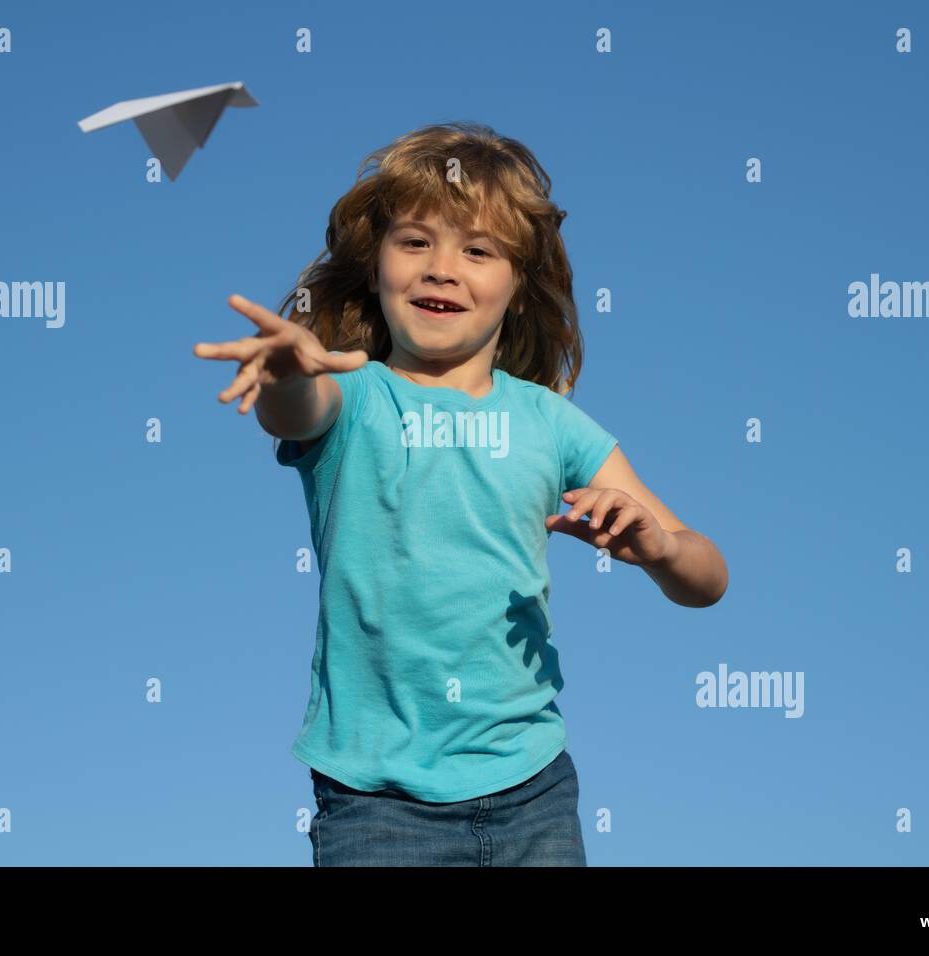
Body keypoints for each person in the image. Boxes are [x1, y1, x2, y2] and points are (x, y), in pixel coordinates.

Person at [194, 122, 729, 866]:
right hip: (376, 805)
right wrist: (289, 372)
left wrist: (663, 548)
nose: (442, 268)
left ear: (516, 286)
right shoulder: (355, 396)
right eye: (414, 242)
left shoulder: (552, 424)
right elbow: (296, 412)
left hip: (532, 790)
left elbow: (708, 578)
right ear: (374, 266)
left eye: (477, 250)